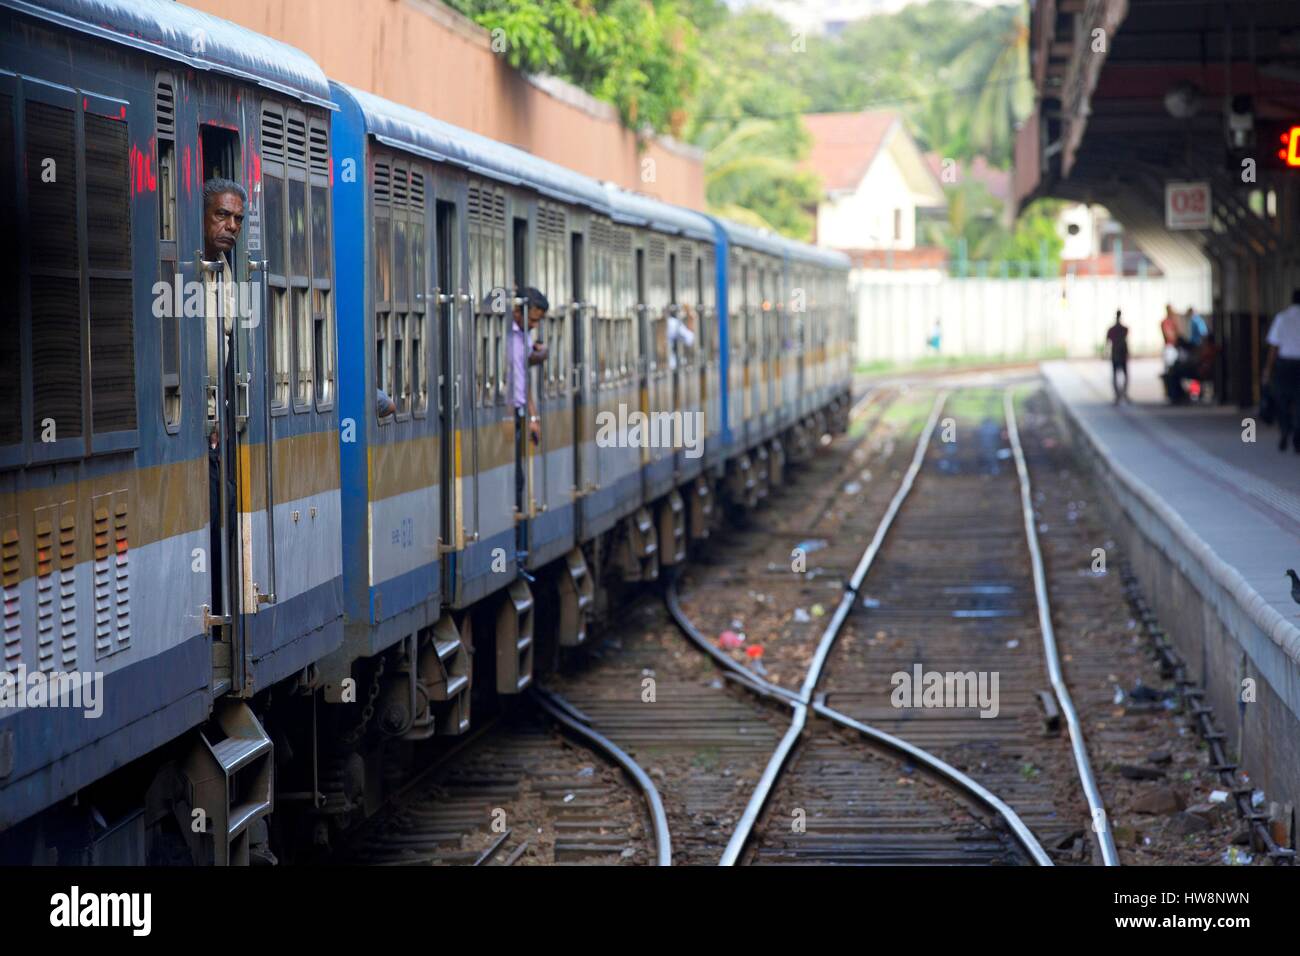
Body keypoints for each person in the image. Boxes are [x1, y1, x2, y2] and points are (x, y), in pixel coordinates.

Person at [202, 178, 246, 617]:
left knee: (227, 506)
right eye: (221, 215)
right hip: (192, 428)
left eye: (237, 218)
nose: (230, 226)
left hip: (219, 430)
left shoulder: (231, 273)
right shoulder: (186, 272)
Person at [1264, 289, 1300, 453]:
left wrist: (1267, 369)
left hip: (1284, 365)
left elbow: (1274, 347)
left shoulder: (1282, 317)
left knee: (1282, 400)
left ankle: (1285, 430)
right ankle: (1298, 436)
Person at [1105, 310, 1129, 404]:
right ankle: (1120, 393)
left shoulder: (1118, 329)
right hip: (1119, 354)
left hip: (1118, 354)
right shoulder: (1123, 329)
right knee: (1120, 375)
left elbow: (1108, 342)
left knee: (1118, 375)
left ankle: (1120, 394)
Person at [666, 302, 697, 370]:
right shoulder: (673, 323)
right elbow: (689, 339)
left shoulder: (669, 322)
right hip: (671, 363)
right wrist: (689, 316)